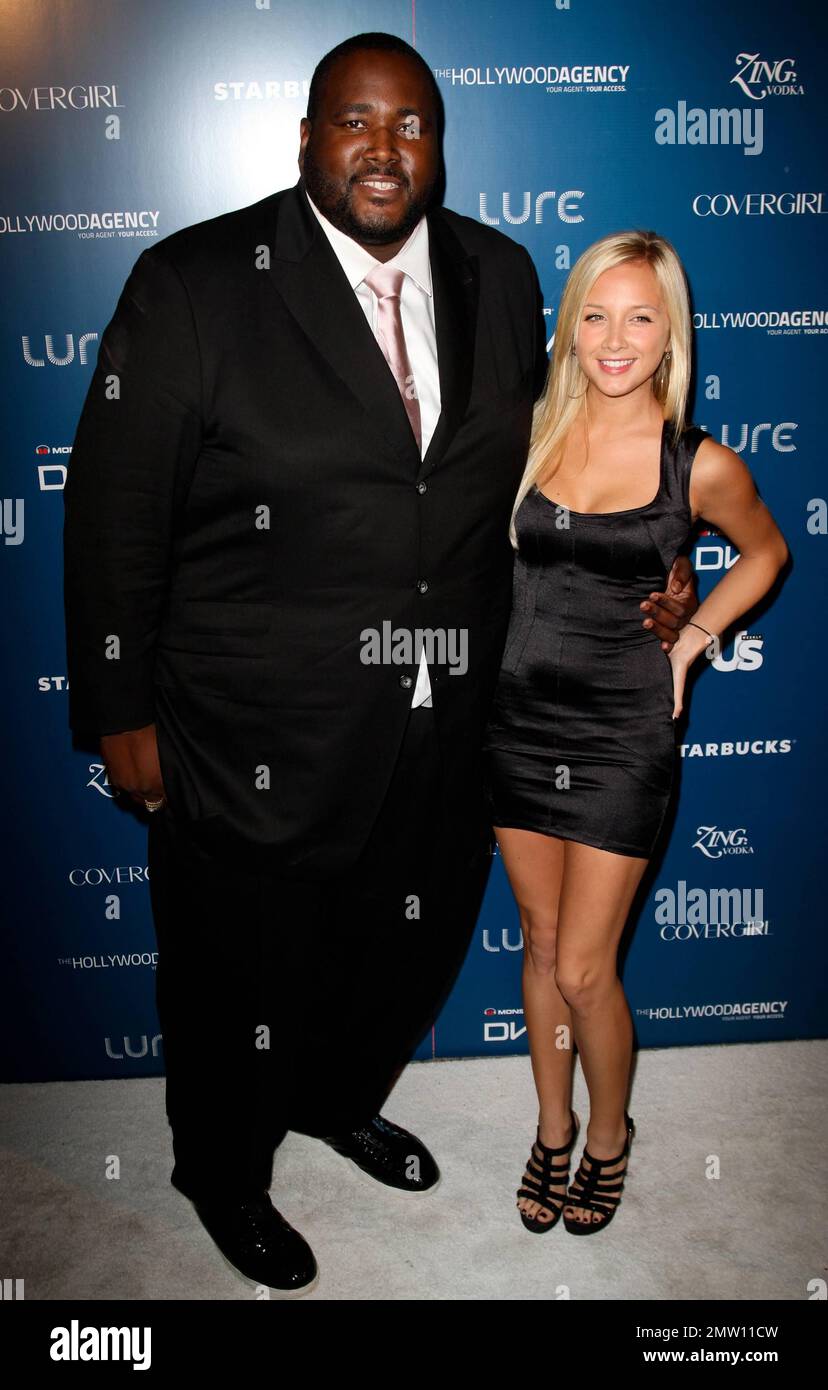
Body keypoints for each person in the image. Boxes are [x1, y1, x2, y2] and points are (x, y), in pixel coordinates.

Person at [63, 32, 699, 1297]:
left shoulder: (499, 271)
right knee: (235, 961)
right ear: (306, 138)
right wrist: (118, 706)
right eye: (354, 122)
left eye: (411, 124)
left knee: (398, 946)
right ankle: (224, 1168)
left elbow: (571, 455)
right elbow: (113, 510)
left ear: (440, 146)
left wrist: (663, 564)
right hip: (255, 720)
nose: (383, 148)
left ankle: (336, 1097)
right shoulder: (195, 283)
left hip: (452, 711)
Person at [482, 230, 789, 1236]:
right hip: (516, 719)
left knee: (582, 967)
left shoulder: (697, 464)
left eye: (641, 317)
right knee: (536, 945)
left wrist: (690, 640)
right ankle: (552, 1126)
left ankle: (609, 1136)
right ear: (571, 326)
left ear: (671, 335)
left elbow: (767, 551)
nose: (616, 339)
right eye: (597, 315)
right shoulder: (527, 430)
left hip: (621, 730)